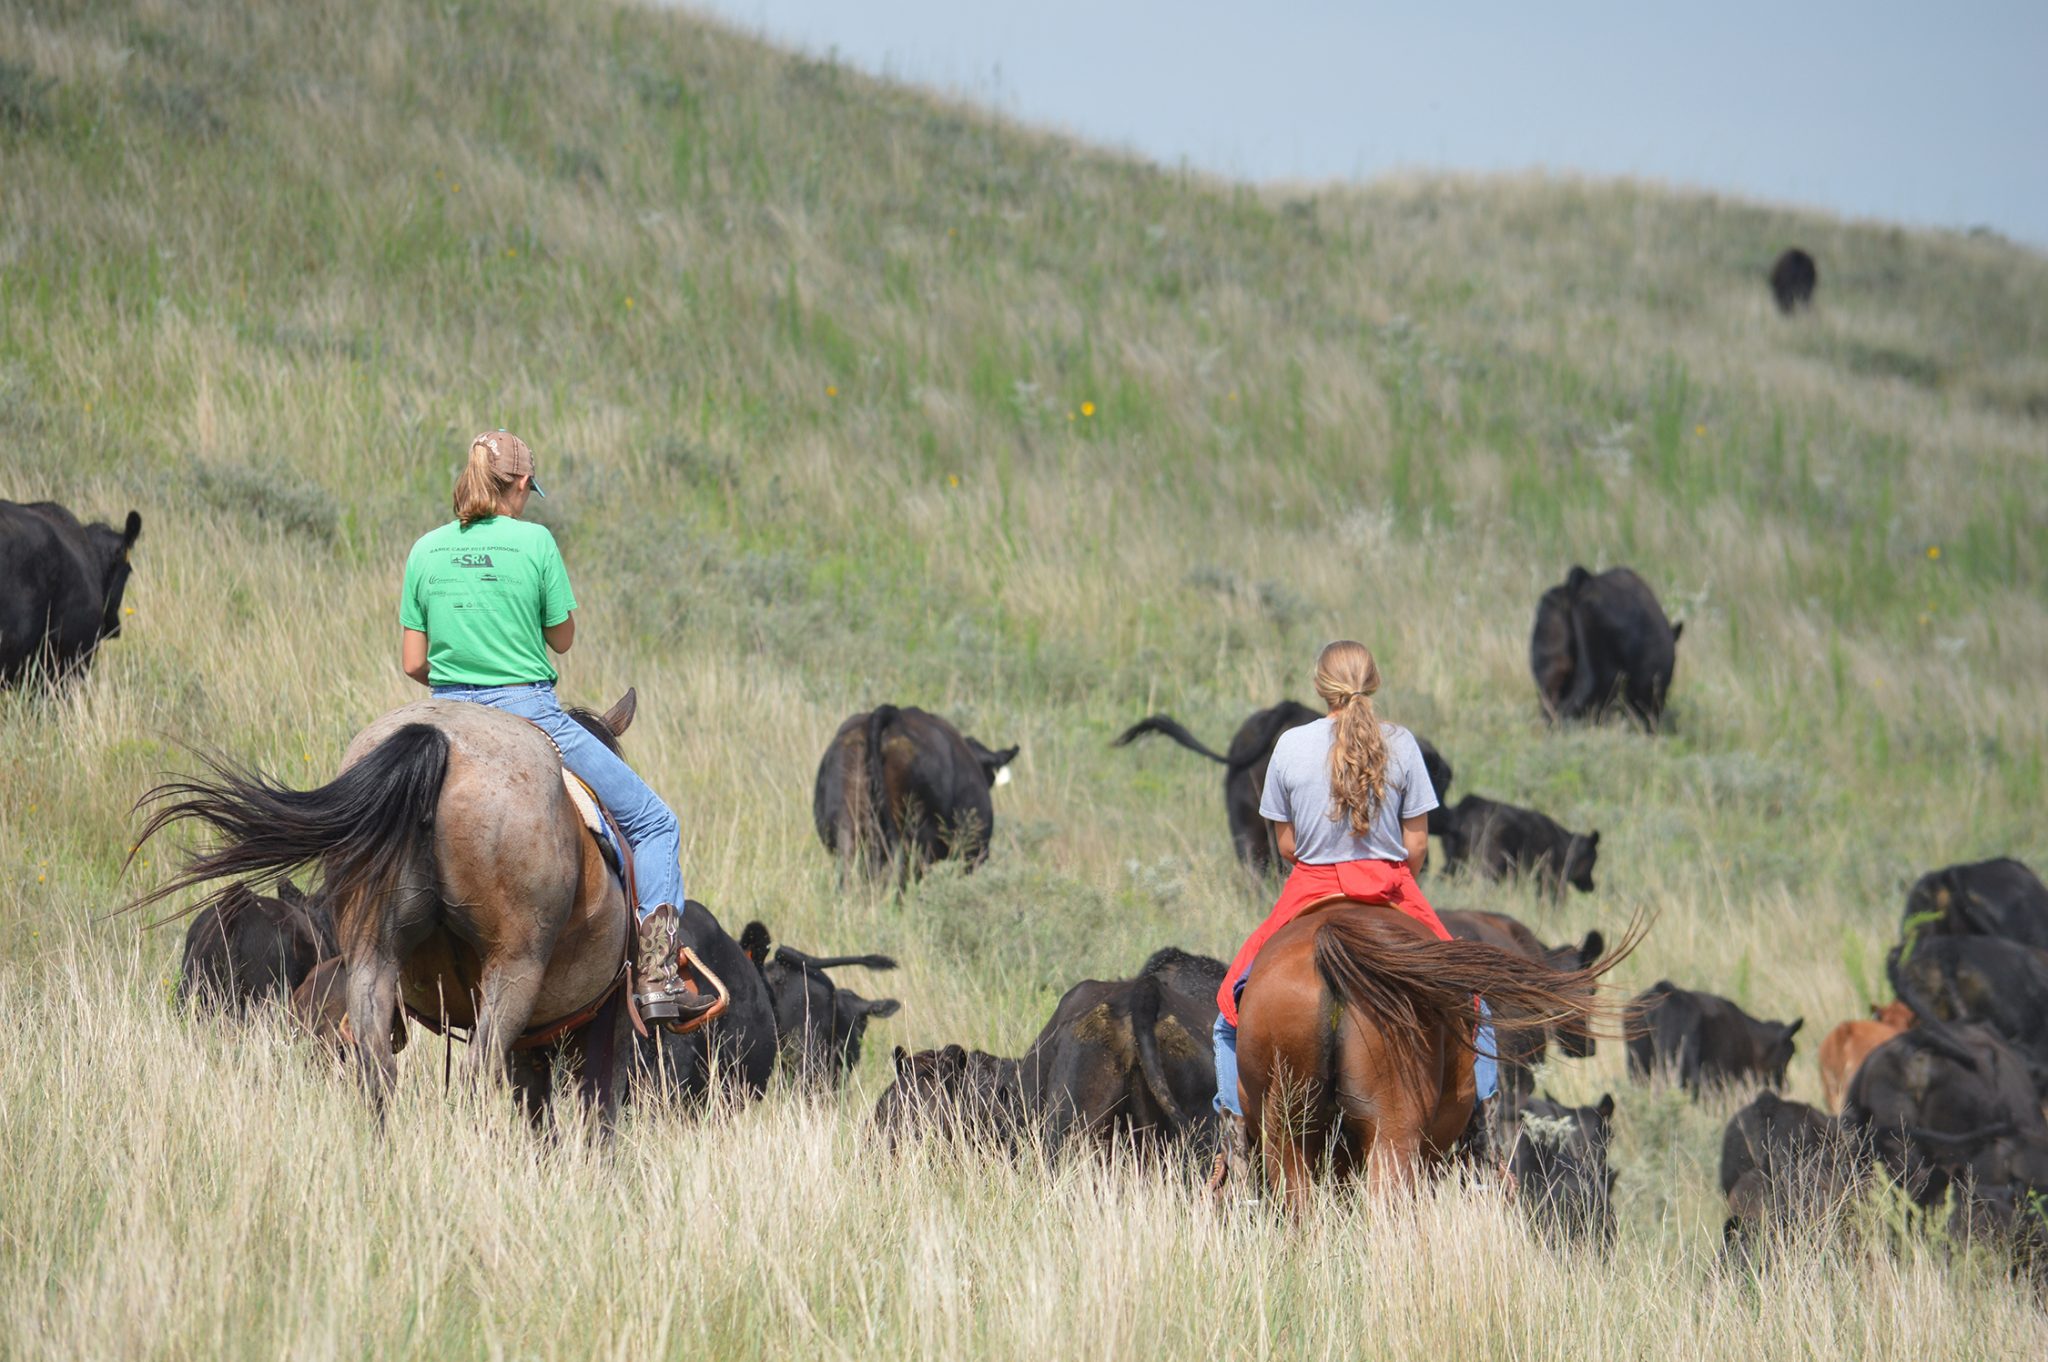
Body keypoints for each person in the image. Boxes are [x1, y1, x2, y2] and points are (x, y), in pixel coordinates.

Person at [398, 430, 714, 1025]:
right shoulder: (536, 542)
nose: (527, 499)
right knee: (654, 823)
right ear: (519, 485)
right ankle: (656, 976)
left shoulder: (425, 550)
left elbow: (415, 662)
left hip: (443, 713)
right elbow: (562, 639)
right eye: (526, 490)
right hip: (526, 711)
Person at [1208, 639, 1496, 1193]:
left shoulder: (1290, 746)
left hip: (1309, 890)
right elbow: (1416, 850)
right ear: (1375, 682)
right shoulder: (1403, 745)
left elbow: (1287, 847)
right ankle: (1483, 1147)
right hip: (1392, 891)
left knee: (1228, 1013)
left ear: (1321, 687)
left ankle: (1232, 1145)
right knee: (1475, 1007)